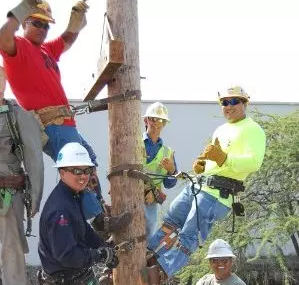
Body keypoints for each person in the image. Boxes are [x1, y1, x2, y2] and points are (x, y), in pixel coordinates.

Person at [0, 0, 131, 232]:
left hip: (64, 123)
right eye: (36, 23)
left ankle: (97, 213)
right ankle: (99, 221)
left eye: (46, 25)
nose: (42, 29)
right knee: (79, 166)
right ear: (25, 23)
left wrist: (76, 22)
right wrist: (17, 11)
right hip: (51, 125)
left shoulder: (45, 50)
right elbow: (2, 37)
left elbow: (66, 40)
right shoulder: (18, 47)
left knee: (88, 160)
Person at [147, 86, 266, 281]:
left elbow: (254, 162)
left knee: (189, 235)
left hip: (218, 194)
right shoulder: (222, 129)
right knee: (170, 221)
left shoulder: (253, 130)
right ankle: (147, 254)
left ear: (245, 103)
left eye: (234, 101)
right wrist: (203, 165)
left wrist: (223, 159)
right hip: (199, 186)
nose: (229, 106)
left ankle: (161, 271)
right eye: (224, 102)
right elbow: (214, 158)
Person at [37, 142, 119, 285]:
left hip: (80, 275)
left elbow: (83, 229)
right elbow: (67, 255)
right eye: (76, 171)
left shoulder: (73, 195)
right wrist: (100, 255)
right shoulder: (60, 210)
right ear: (62, 172)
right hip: (64, 279)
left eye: (87, 170)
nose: (83, 176)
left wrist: (102, 245)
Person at [0, 66, 44, 285]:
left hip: (7, 196)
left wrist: (35, 197)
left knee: (12, 252)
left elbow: (34, 158)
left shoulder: (17, 115)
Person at [142, 102, 178, 241]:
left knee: (148, 232)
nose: (157, 123)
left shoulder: (167, 152)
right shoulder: (133, 142)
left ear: (164, 124)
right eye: (154, 119)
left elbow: (170, 184)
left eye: (161, 120)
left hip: (150, 200)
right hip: (130, 195)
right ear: (146, 120)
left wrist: (171, 170)